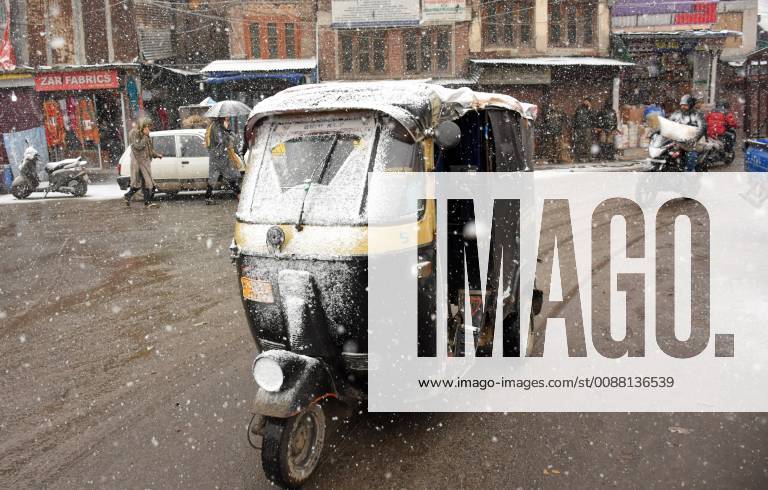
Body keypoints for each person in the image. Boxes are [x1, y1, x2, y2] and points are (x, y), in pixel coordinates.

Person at [123, 118, 162, 207]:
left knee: (145, 183)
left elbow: (149, 149)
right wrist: (145, 136)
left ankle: (130, 197)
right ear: (144, 125)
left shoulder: (145, 135)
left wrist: (156, 155)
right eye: (148, 126)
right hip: (138, 163)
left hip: (144, 162)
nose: (149, 129)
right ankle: (146, 202)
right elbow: (138, 146)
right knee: (146, 183)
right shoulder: (135, 133)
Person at [205, 117, 241, 205]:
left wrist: (227, 132)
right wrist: (228, 135)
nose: (227, 117)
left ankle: (208, 197)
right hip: (219, 156)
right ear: (221, 117)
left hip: (218, 155)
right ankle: (239, 195)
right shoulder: (216, 127)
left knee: (215, 177)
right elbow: (220, 140)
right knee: (230, 175)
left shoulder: (217, 126)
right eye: (226, 117)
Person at [669, 94, 706, 171]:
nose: (683, 107)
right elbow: (668, 123)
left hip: (694, 141)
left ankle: (689, 172)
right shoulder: (677, 113)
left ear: (691, 105)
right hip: (680, 140)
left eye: (685, 105)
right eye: (682, 105)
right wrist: (658, 130)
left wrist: (695, 138)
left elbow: (702, 127)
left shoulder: (697, 114)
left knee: (691, 155)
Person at [572, 97, 595, 162]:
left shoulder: (591, 109)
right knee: (578, 142)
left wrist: (590, 108)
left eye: (587, 101)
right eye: (585, 101)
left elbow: (593, 117)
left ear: (589, 102)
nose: (586, 102)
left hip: (587, 128)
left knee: (588, 143)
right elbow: (575, 117)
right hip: (578, 128)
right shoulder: (579, 108)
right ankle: (577, 157)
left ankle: (589, 157)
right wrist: (574, 127)